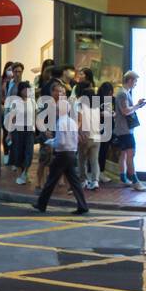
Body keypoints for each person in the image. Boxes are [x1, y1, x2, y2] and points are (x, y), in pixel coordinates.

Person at [33, 78, 89, 215]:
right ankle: (82, 205)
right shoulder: (71, 122)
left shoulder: (61, 123)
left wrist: (51, 142)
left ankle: (41, 204)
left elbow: (61, 142)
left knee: (51, 181)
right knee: (74, 181)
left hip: (62, 154)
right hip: (71, 153)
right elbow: (74, 139)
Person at [114, 70, 146, 190]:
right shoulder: (123, 93)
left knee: (124, 153)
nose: (136, 84)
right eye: (135, 81)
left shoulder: (124, 93)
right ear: (130, 80)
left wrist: (137, 105)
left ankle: (123, 178)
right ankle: (134, 180)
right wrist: (138, 106)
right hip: (125, 130)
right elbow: (126, 111)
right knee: (130, 153)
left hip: (123, 129)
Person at [4, 79, 35, 186]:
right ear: (21, 90)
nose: (27, 91)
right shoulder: (15, 102)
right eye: (25, 89)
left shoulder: (32, 101)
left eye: (29, 89)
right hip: (18, 130)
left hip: (29, 130)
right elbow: (12, 118)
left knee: (29, 154)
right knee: (18, 153)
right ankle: (20, 175)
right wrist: (9, 133)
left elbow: (35, 115)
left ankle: (25, 173)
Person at [74, 78, 102, 190]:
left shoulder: (80, 104)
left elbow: (79, 120)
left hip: (85, 136)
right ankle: (95, 181)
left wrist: (78, 133)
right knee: (94, 161)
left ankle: (83, 180)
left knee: (82, 160)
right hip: (96, 136)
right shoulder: (96, 106)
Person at [96, 80, 115, 183]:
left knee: (101, 152)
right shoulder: (103, 100)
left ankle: (98, 173)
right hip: (103, 129)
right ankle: (99, 173)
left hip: (104, 129)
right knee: (101, 152)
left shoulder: (110, 100)